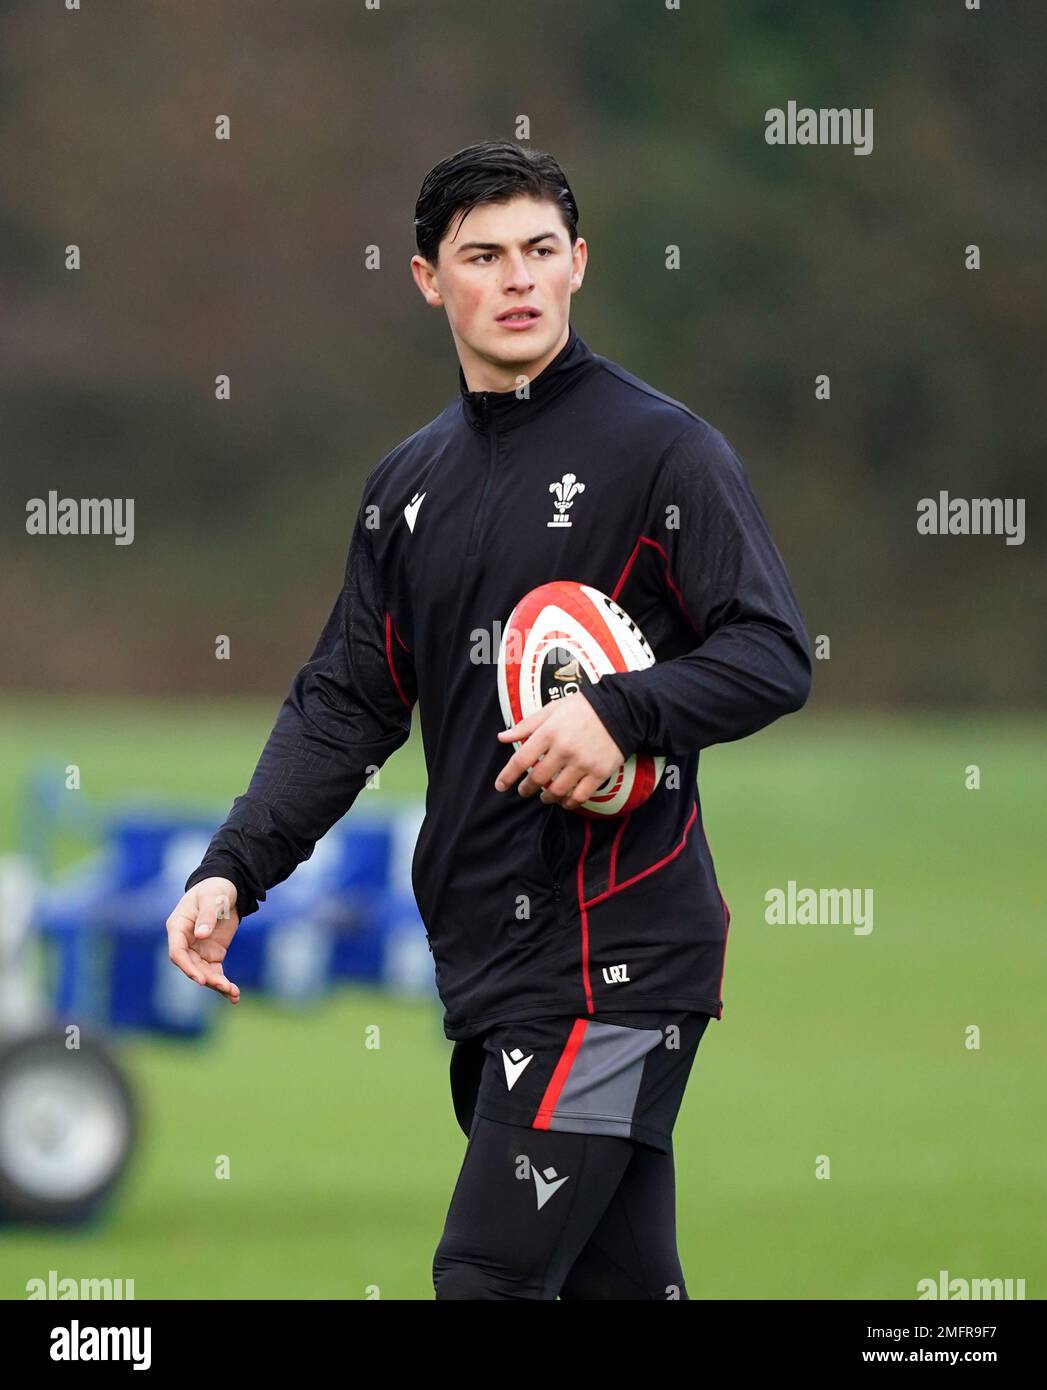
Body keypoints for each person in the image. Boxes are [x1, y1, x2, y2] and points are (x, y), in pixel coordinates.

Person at [165, 139, 812, 1299]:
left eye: (539, 251)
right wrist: (233, 868)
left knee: (486, 1277)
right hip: (490, 966)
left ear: (578, 267)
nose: (516, 278)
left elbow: (771, 652)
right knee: (615, 1286)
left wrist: (623, 710)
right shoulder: (405, 487)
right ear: (428, 279)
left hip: (622, 971)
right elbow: (344, 704)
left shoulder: (665, 452)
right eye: (483, 256)